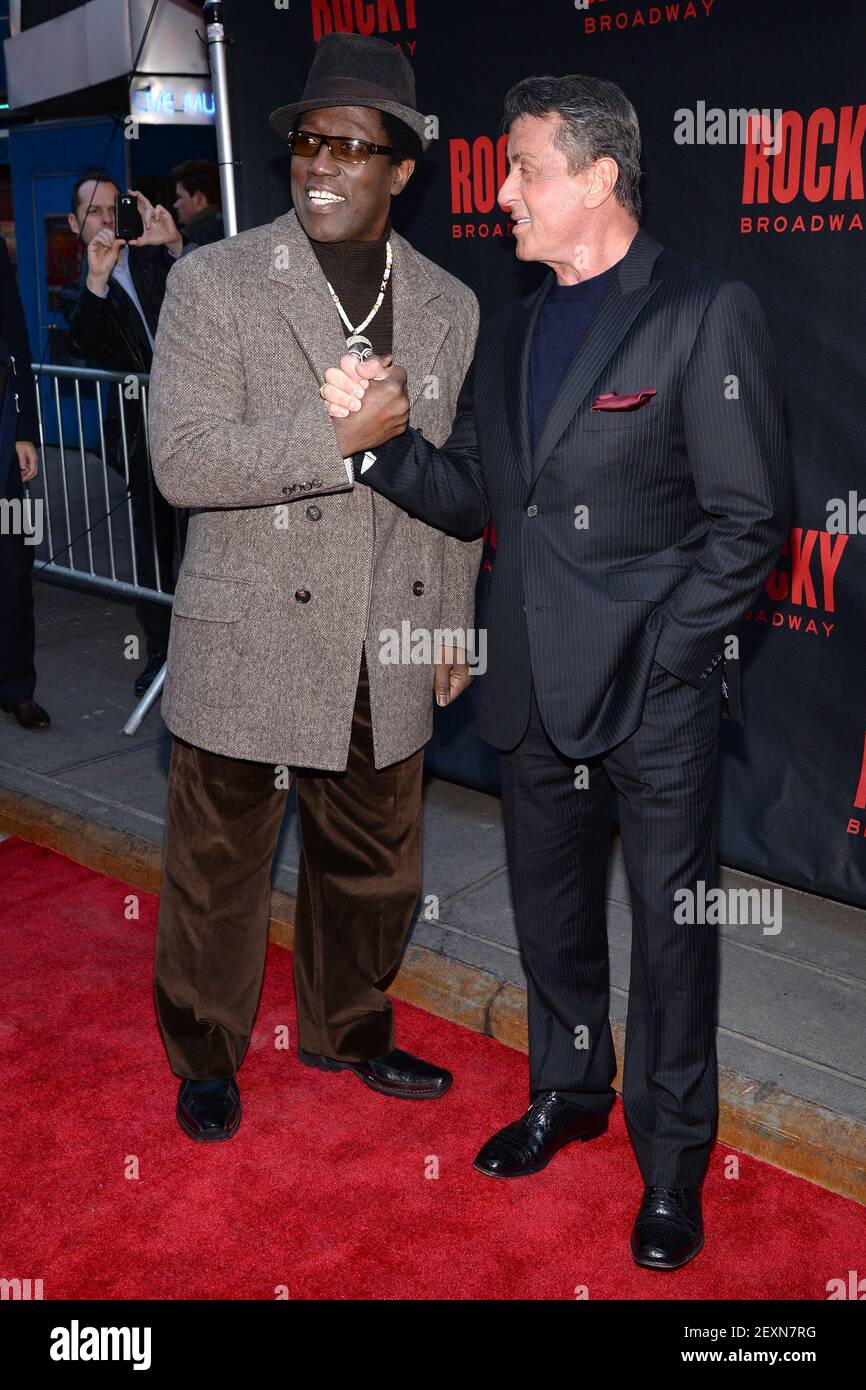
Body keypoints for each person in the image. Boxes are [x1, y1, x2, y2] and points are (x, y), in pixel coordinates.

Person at [321, 74, 790, 1270]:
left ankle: (671, 1160)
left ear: (596, 179)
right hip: (531, 687)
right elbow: (480, 493)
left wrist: (670, 660)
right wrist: (379, 454)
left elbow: (749, 522)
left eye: (524, 169)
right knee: (552, 921)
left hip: (658, 696)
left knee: (671, 936)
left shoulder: (702, 307)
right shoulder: (514, 318)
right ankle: (570, 1090)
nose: (502, 193)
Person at [148, 33, 481, 1144]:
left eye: (352, 146)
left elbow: (453, 480)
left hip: (384, 632)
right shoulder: (214, 281)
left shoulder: (448, 304)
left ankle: (349, 1028)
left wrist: (452, 618)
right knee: (217, 867)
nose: (322, 165)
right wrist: (334, 438)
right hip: (247, 629)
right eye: (307, 142)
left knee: (375, 866)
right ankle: (204, 1049)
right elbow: (184, 461)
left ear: (401, 170)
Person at [60, 175, 183, 692]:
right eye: (95, 211)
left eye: (116, 208)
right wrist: (97, 282)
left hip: (199, 417)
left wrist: (175, 243)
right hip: (141, 433)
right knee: (154, 544)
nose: (107, 219)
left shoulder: (156, 258)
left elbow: (218, 299)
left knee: (208, 535)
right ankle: (162, 648)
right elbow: (86, 339)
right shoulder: (81, 283)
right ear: (75, 223)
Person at [0, 236, 49, 731]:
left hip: (3, 439)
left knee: (14, 568)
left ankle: (17, 687)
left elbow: (16, 340)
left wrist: (26, 430)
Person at [171, 159, 224, 249]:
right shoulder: (227, 227)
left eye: (179, 197)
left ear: (198, 198)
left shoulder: (200, 238)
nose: (175, 205)